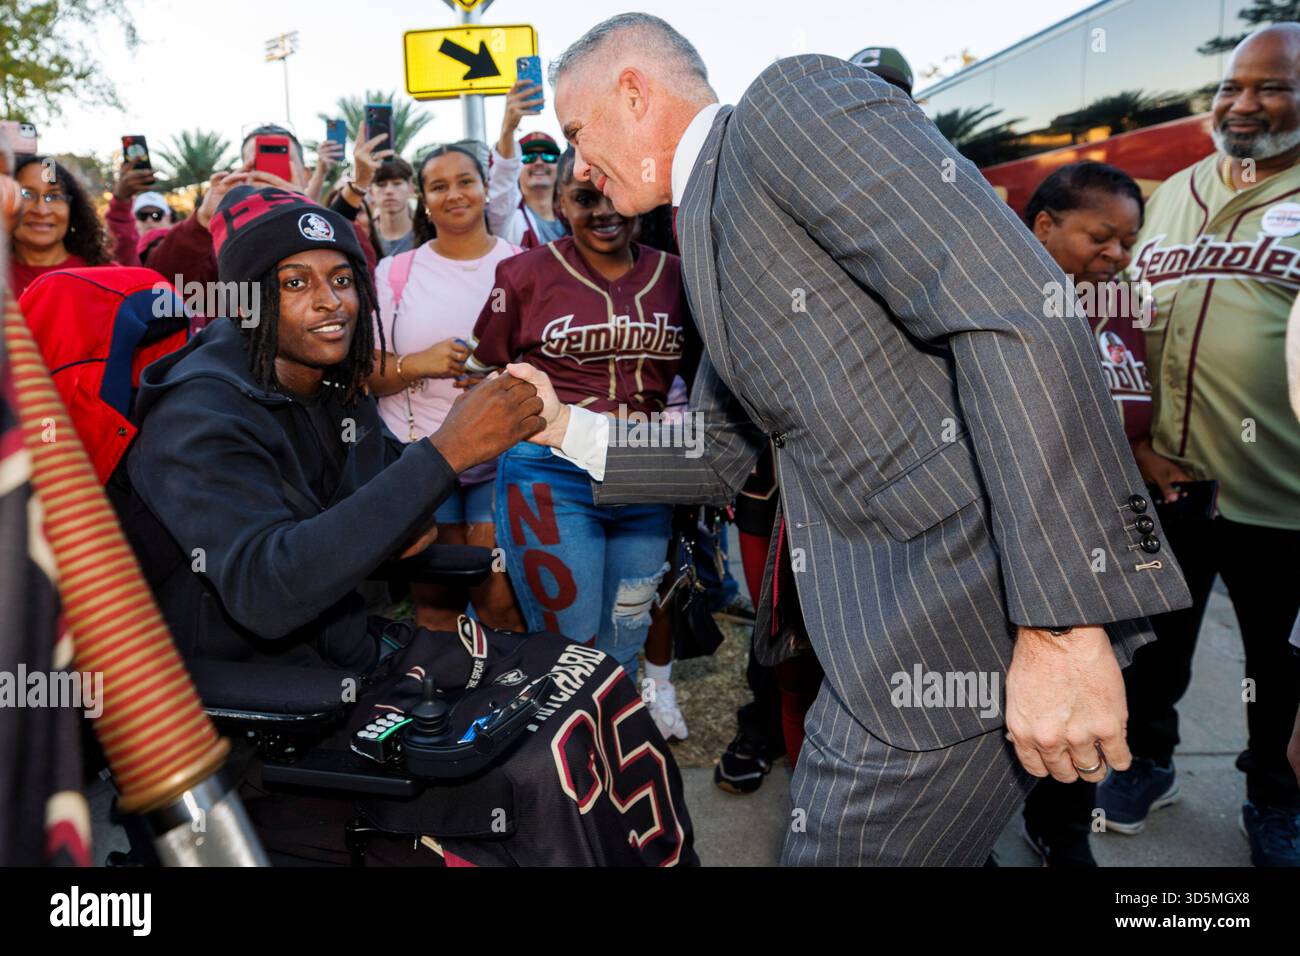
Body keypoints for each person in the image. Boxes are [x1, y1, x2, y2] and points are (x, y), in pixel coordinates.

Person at [514, 13, 1192, 866]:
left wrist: (1065, 626)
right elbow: (723, 451)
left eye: (576, 133)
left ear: (634, 90)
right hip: (863, 644)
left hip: (964, 625)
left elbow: (1015, 311)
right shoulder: (705, 226)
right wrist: (561, 426)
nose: (577, 165)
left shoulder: (790, 104)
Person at [120, 184, 543, 669]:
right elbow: (266, 592)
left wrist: (386, 516)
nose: (331, 302)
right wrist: (447, 451)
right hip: (236, 688)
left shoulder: (330, 383)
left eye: (342, 280)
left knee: (554, 673)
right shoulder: (196, 413)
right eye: (295, 283)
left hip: (342, 648)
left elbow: (403, 520)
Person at [1099, 24, 1300, 867]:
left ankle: (1274, 798)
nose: (1242, 104)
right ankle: (1149, 761)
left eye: (1271, 86)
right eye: (1230, 86)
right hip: (1167, 488)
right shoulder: (1171, 192)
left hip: (1280, 496)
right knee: (1156, 643)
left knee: (1276, 666)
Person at [465, 147, 687, 734]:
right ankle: (568, 767)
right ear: (561, 204)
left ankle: (611, 753)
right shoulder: (520, 274)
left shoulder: (676, 274)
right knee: (570, 645)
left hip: (647, 471)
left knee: (627, 630)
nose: (603, 211)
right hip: (549, 472)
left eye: (613, 195)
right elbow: (487, 362)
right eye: (586, 198)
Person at [1020, 160, 1153, 867]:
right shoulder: (999, 307)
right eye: (1102, 237)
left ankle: (1063, 826)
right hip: (1032, 542)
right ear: (1044, 225)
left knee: (1099, 696)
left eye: (1127, 242)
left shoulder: (1119, 302)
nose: (1117, 256)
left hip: (1110, 539)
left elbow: (1129, 406)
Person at [367, 145, 524, 632]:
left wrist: (499, 374)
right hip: (418, 457)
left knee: (498, 594)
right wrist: (420, 364)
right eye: (439, 185)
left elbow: (549, 367)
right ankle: (446, 701)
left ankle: (510, 701)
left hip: (500, 454)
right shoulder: (394, 272)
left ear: (485, 189)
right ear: (424, 199)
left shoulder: (524, 266)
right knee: (435, 604)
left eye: (466, 181)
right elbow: (367, 372)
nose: (454, 194)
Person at [146, 124, 378, 326]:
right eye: (257, 164)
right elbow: (163, 288)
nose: (268, 173)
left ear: (306, 175)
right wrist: (202, 222)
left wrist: (300, 207)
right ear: (243, 174)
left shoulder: (333, 230)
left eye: (281, 160)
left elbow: (364, 297)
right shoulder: (223, 242)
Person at [7, 155, 115, 298]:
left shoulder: (108, 280)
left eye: (54, 196)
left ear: (73, 208)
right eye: (26, 194)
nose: (42, 210)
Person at [487, 80, 567, 248]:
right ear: (517, 167)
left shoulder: (574, 216)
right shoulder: (507, 218)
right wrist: (508, 129)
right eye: (528, 157)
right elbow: (502, 177)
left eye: (549, 156)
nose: (539, 162)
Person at [369, 157, 416, 257]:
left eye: (397, 183)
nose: (389, 191)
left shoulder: (428, 236)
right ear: (371, 192)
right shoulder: (364, 239)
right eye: (381, 185)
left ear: (411, 188)